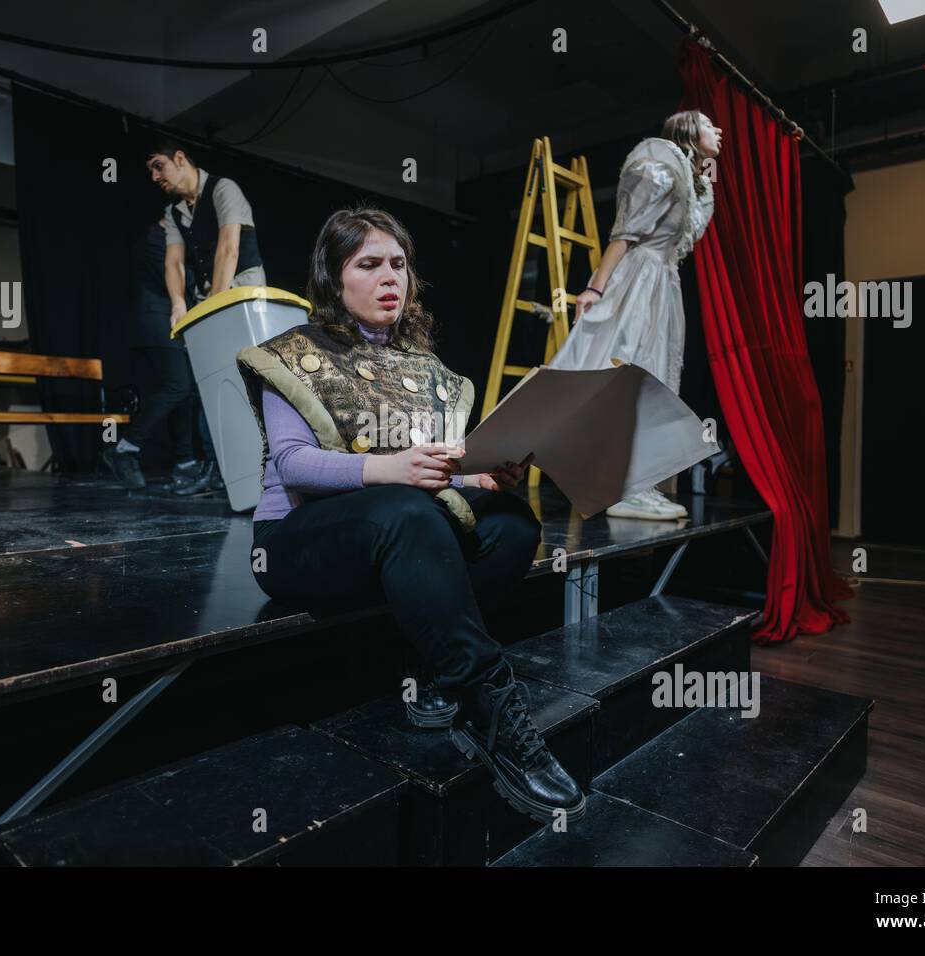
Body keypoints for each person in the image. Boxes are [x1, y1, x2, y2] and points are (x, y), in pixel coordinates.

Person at [236, 208, 585, 823]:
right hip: (297, 542)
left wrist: (484, 474)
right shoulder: (289, 354)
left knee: (510, 521)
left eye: (397, 264)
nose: (389, 277)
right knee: (404, 508)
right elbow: (292, 465)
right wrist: (394, 468)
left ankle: (428, 662)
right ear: (333, 277)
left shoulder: (424, 370)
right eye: (368, 265)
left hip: (395, 530)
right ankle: (488, 704)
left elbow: (435, 471)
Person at [549, 110, 722, 520]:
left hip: (663, 281)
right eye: (708, 124)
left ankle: (636, 484)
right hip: (642, 279)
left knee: (657, 379)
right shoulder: (657, 164)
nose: (718, 131)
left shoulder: (685, 176)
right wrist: (595, 287)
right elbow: (625, 233)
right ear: (686, 131)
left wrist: (705, 185)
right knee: (632, 372)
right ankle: (619, 485)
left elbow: (688, 234)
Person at [103, 138, 265, 494]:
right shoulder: (175, 213)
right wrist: (179, 304)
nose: (154, 176)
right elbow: (173, 262)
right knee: (210, 385)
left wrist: (216, 304)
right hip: (208, 300)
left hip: (241, 294)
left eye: (158, 166)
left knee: (246, 382)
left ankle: (262, 467)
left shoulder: (224, 189)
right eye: (149, 171)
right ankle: (216, 468)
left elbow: (229, 247)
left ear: (180, 158)